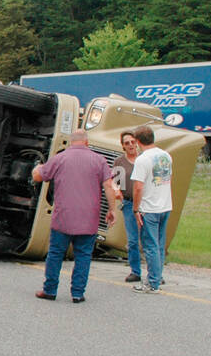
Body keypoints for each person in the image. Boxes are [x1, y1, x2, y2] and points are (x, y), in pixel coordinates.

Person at [31, 130, 117, 303]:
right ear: (86, 142)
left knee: (55, 253)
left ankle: (50, 290)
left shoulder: (60, 158)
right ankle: (77, 293)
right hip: (89, 218)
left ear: (71, 142)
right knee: (83, 255)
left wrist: (37, 168)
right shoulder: (99, 160)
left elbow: (39, 176)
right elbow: (109, 186)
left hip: (64, 216)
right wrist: (112, 209)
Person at [130, 125, 172, 294]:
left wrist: (136, 209)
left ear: (138, 141)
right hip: (165, 204)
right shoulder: (166, 156)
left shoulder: (142, 159)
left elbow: (138, 187)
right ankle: (158, 275)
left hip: (149, 207)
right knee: (160, 244)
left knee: (150, 245)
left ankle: (152, 281)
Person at [112, 130, 142, 282]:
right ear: (123, 146)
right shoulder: (119, 162)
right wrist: (117, 191)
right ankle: (135, 271)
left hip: (146, 204)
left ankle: (155, 272)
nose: (130, 145)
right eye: (127, 143)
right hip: (129, 203)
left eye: (132, 142)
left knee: (149, 239)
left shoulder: (144, 159)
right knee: (132, 240)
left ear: (137, 142)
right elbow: (115, 182)